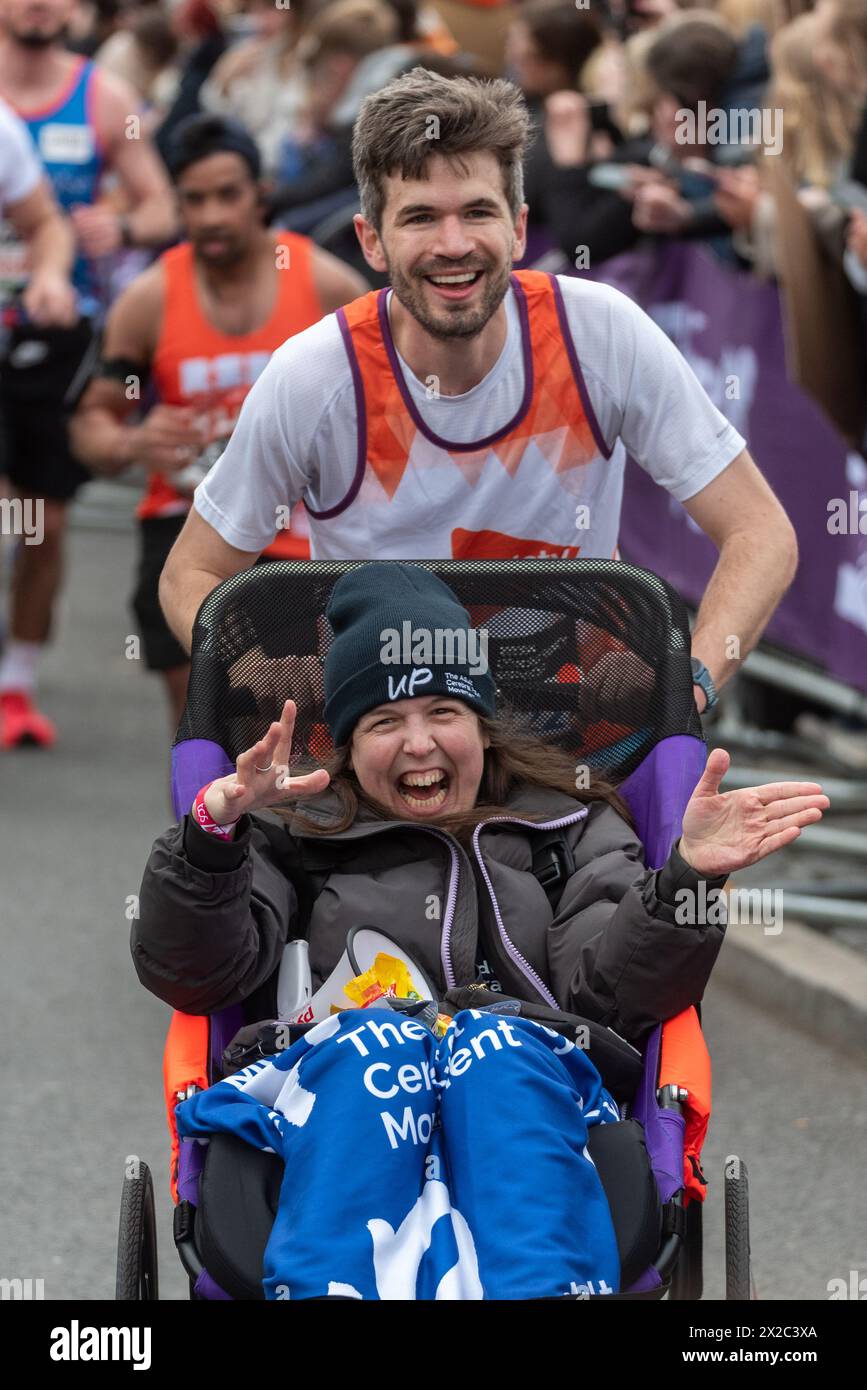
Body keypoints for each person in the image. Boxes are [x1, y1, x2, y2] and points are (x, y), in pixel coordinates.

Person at [134, 562, 829, 1299]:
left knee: (495, 1049)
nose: (419, 744)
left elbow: (615, 1002)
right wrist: (211, 840)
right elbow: (197, 975)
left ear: (482, 726)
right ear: (344, 742)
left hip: (529, 1077)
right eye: (382, 722)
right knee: (380, 1044)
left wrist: (687, 875)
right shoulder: (292, 834)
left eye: (443, 712)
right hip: (336, 1085)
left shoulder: (568, 828)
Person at [158, 66, 798, 728]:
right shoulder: (316, 375)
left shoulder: (599, 333)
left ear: (519, 229)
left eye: (477, 212)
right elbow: (188, 575)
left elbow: (760, 532)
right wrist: (250, 668)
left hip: (575, 746)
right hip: (391, 752)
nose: (454, 245)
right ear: (371, 241)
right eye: (420, 218)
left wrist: (687, 685)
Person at [70, 114, 368, 726]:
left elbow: (389, 415)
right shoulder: (149, 298)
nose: (210, 216)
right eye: (194, 199)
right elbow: (91, 426)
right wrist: (132, 439)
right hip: (185, 527)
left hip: (301, 534)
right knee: (202, 716)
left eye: (227, 195)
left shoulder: (324, 285)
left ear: (260, 194)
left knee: (305, 723)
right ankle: (201, 820)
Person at [0, 0, 175, 748]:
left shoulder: (101, 97)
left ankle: (18, 684)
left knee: (46, 518)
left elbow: (162, 204)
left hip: (61, 335)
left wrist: (126, 226)